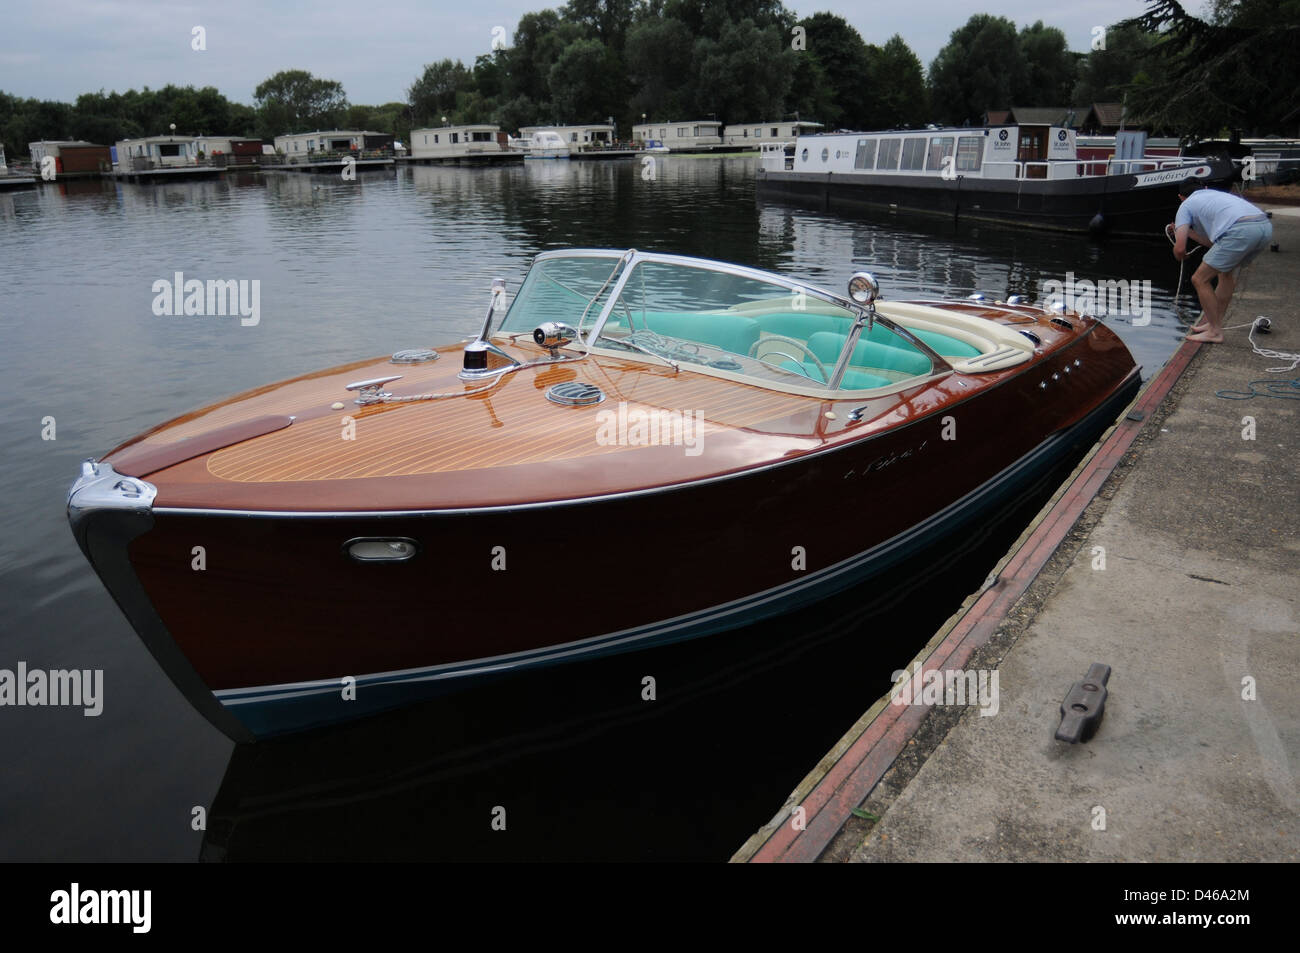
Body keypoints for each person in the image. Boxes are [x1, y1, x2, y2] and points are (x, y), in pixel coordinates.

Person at [1169, 178, 1272, 343]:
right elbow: (1215, 243)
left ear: (1181, 197)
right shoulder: (1215, 196)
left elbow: (1180, 249)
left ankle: (1215, 332)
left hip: (1240, 231)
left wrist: (1179, 254)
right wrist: (1190, 233)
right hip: (1264, 226)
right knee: (1225, 273)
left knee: (1199, 279)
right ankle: (1213, 325)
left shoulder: (1186, 205)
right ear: (1205, 187)